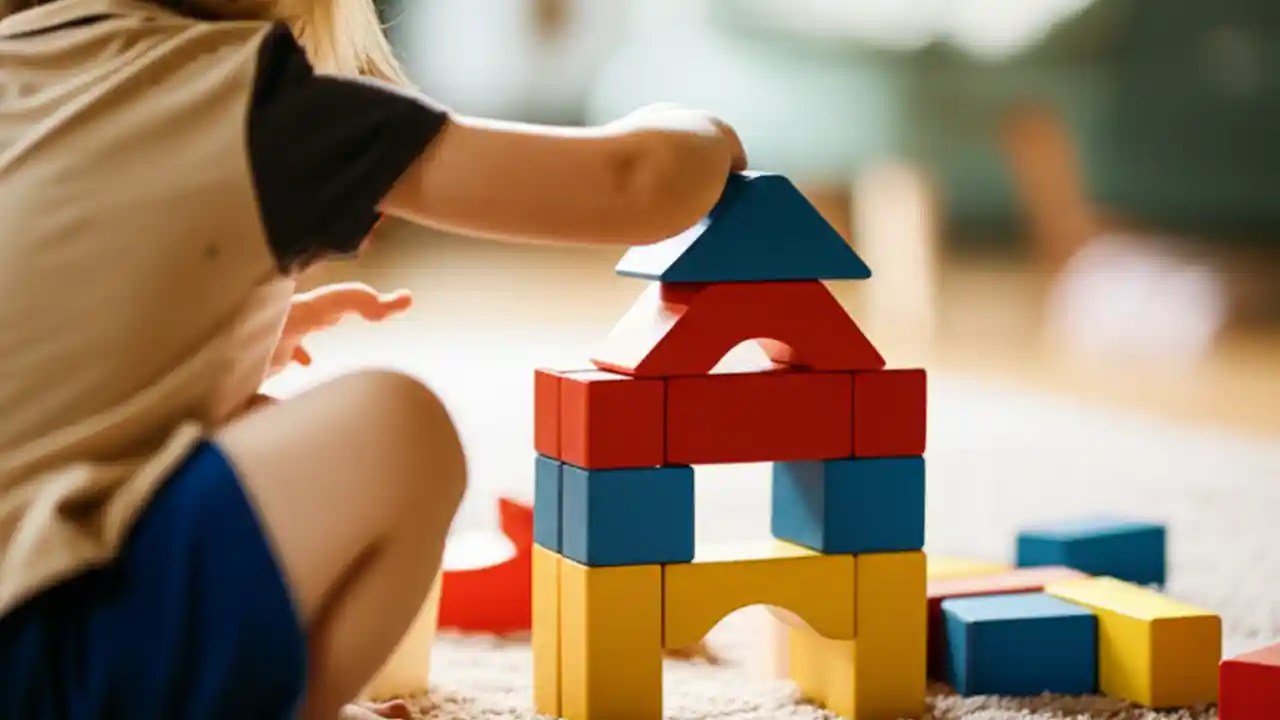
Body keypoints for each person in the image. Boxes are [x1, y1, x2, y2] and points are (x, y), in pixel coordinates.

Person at [0, 0, 748, 718]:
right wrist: (705, 134)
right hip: (48, 653)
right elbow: (632, 182)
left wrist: (215, 344)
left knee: (249, 425)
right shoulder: (258, 100)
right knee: (396, 431)